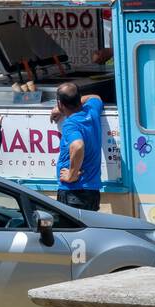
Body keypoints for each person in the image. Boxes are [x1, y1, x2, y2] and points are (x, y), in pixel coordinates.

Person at [51, 82, 103, 211]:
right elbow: (95, 97)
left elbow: (78, 145)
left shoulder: (71, 124)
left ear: (60, 104)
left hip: (74, 192)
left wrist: (72, 175)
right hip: (92, 192)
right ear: (79, 98)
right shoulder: (92, 111)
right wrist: (61, 108)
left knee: (70, 231)